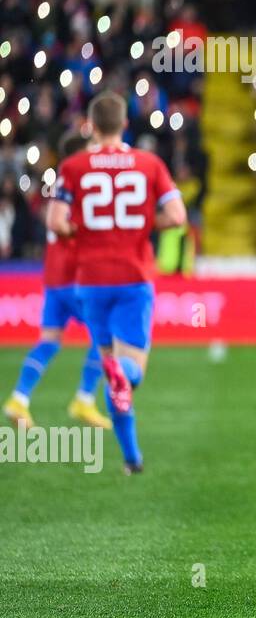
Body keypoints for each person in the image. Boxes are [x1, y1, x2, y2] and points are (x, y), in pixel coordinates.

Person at [46, 92, 188, 474]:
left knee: (111, 364)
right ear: (125, 124)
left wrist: (82, 229)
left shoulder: (74, 167)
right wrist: (143, 224)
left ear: (90, 126)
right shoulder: (149, 163)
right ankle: (124, 378)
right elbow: (176, 216)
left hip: (90, 280)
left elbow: (55, 222)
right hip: (133, 275)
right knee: (130, 368)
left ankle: (132, 459)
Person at [2, 132, 112, 433]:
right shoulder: (80, 184)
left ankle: (19, 398)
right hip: (75, 278)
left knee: (49, 341)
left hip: (54, 277)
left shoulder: (58, 185)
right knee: (107, 335)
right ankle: (84, 398)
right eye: (90, 151)